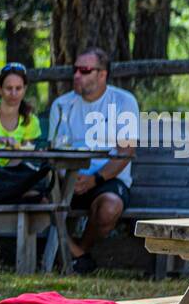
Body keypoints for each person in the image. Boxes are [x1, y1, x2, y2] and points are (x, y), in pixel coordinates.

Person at [48, 46, 139, 274]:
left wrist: (93, 180)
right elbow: (55, 150)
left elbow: (125, 153)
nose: (77, 75)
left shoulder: (123, 102)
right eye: (75, 69)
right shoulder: (61, 105)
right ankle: (78, 256)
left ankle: (79, 250)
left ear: (102, 74)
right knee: (36, 202)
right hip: (67, 176)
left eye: (85, 70)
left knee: (109, 208)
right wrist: (68, 176)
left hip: (107, 178)